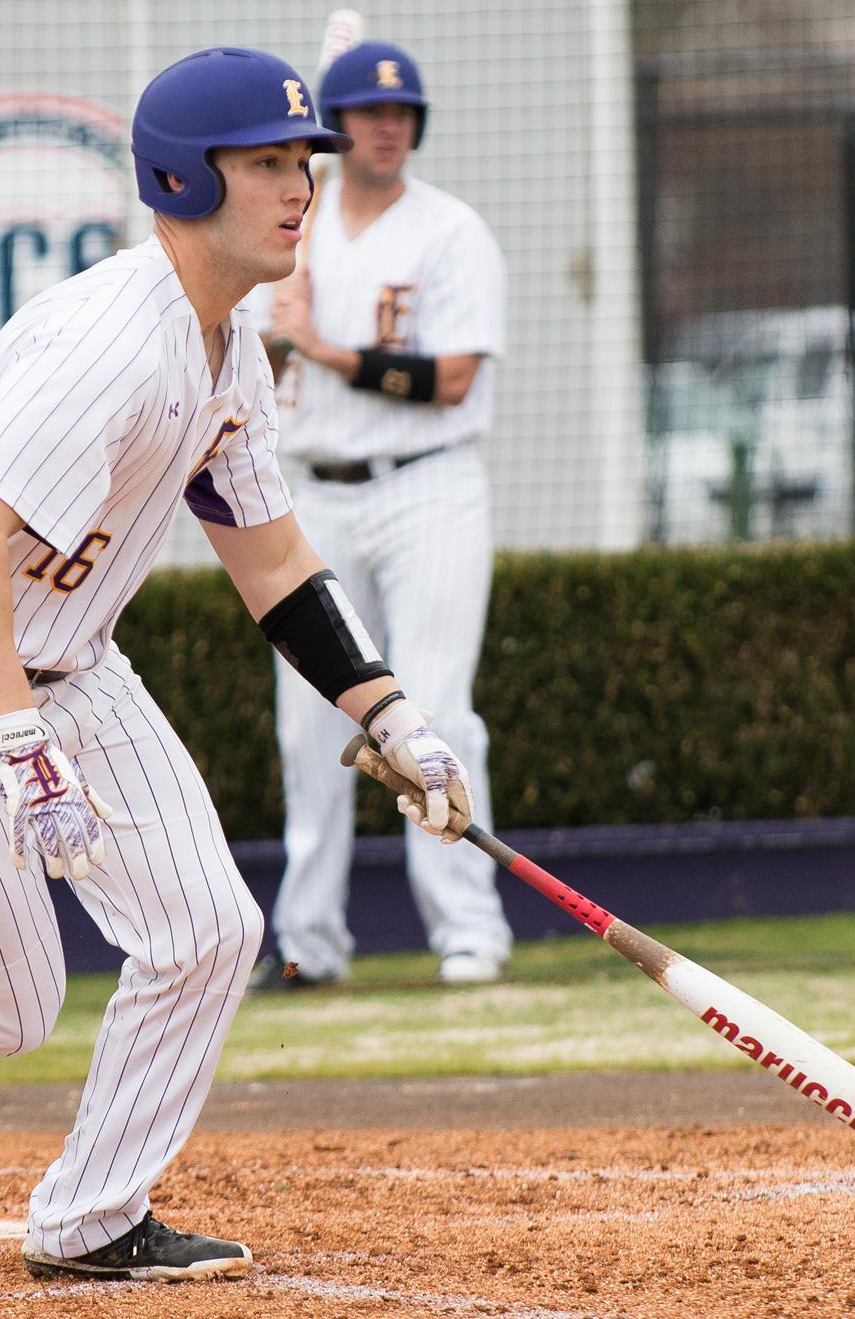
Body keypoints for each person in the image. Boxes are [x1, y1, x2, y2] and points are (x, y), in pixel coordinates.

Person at [0, 46, 476, 1284]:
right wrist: (20, 746)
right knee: (0, 1012)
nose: (298, 187)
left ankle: (87, 1218)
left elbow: (275, 563)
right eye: (265, 164)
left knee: (205, 928)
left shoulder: (229, 346)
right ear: (184, 181)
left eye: (303, 162)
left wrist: (391, 711)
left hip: (73, 668)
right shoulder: (106, 341)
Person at [247, 41, 512, 989]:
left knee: (432, 706)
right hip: (313, 490)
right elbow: (258, 377)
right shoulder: (290, 233)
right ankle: (307, 941)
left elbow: (452, 379)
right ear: (335, 129)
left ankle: (466, 927)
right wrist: (279, 342)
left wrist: (321, 344)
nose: (387, 126)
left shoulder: (449, 232)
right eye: (366, 111)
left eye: (402, 113)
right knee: (307, 723)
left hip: (429, 486)